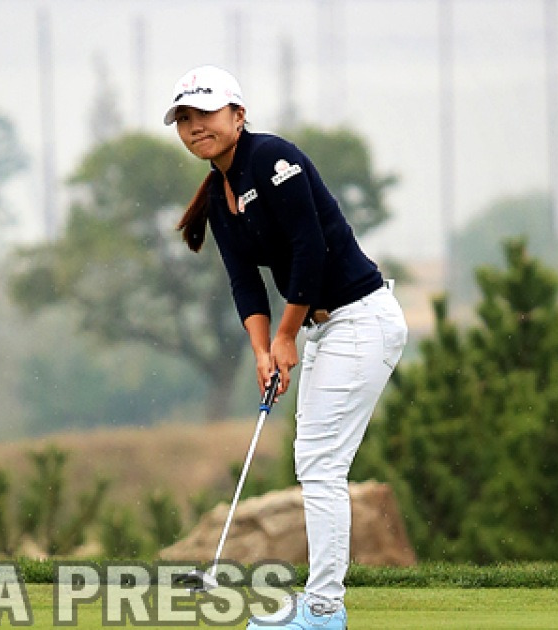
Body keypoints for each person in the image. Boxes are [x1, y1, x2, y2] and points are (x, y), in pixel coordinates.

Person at [163, 65, 408, 629]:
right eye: (185, 118)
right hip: (329, 328)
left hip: (361, 319)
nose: (195, 125)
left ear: (238, 115)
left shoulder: (275, 159)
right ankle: (321, 607)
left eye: (206, 112)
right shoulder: (220, 195)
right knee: (318, 464)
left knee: (320, 466)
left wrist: (285, 335)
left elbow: (310, 249)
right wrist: (262, 350)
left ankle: (323, 612)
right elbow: (245, 282)